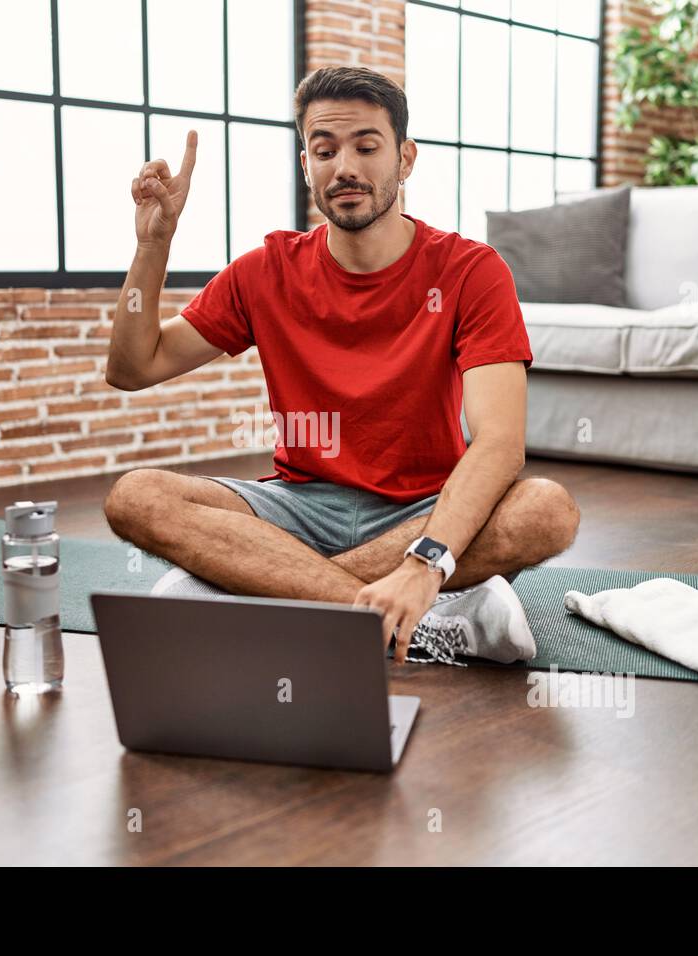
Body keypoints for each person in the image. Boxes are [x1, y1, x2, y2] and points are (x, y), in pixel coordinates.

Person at [103, 66, 579, 666]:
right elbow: (131, 366)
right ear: (306, 166)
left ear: (405, 159)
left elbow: (501, 444)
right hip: (298, 506)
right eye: (323, 150)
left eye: (366, 146)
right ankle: (409, 620)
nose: (344, 167)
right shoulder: (266, 269)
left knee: (546, 509)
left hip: (424, 508)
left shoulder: (470, 270)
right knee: (136, 497)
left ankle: (273, 590)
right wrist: (153, 246)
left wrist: (426, 557)